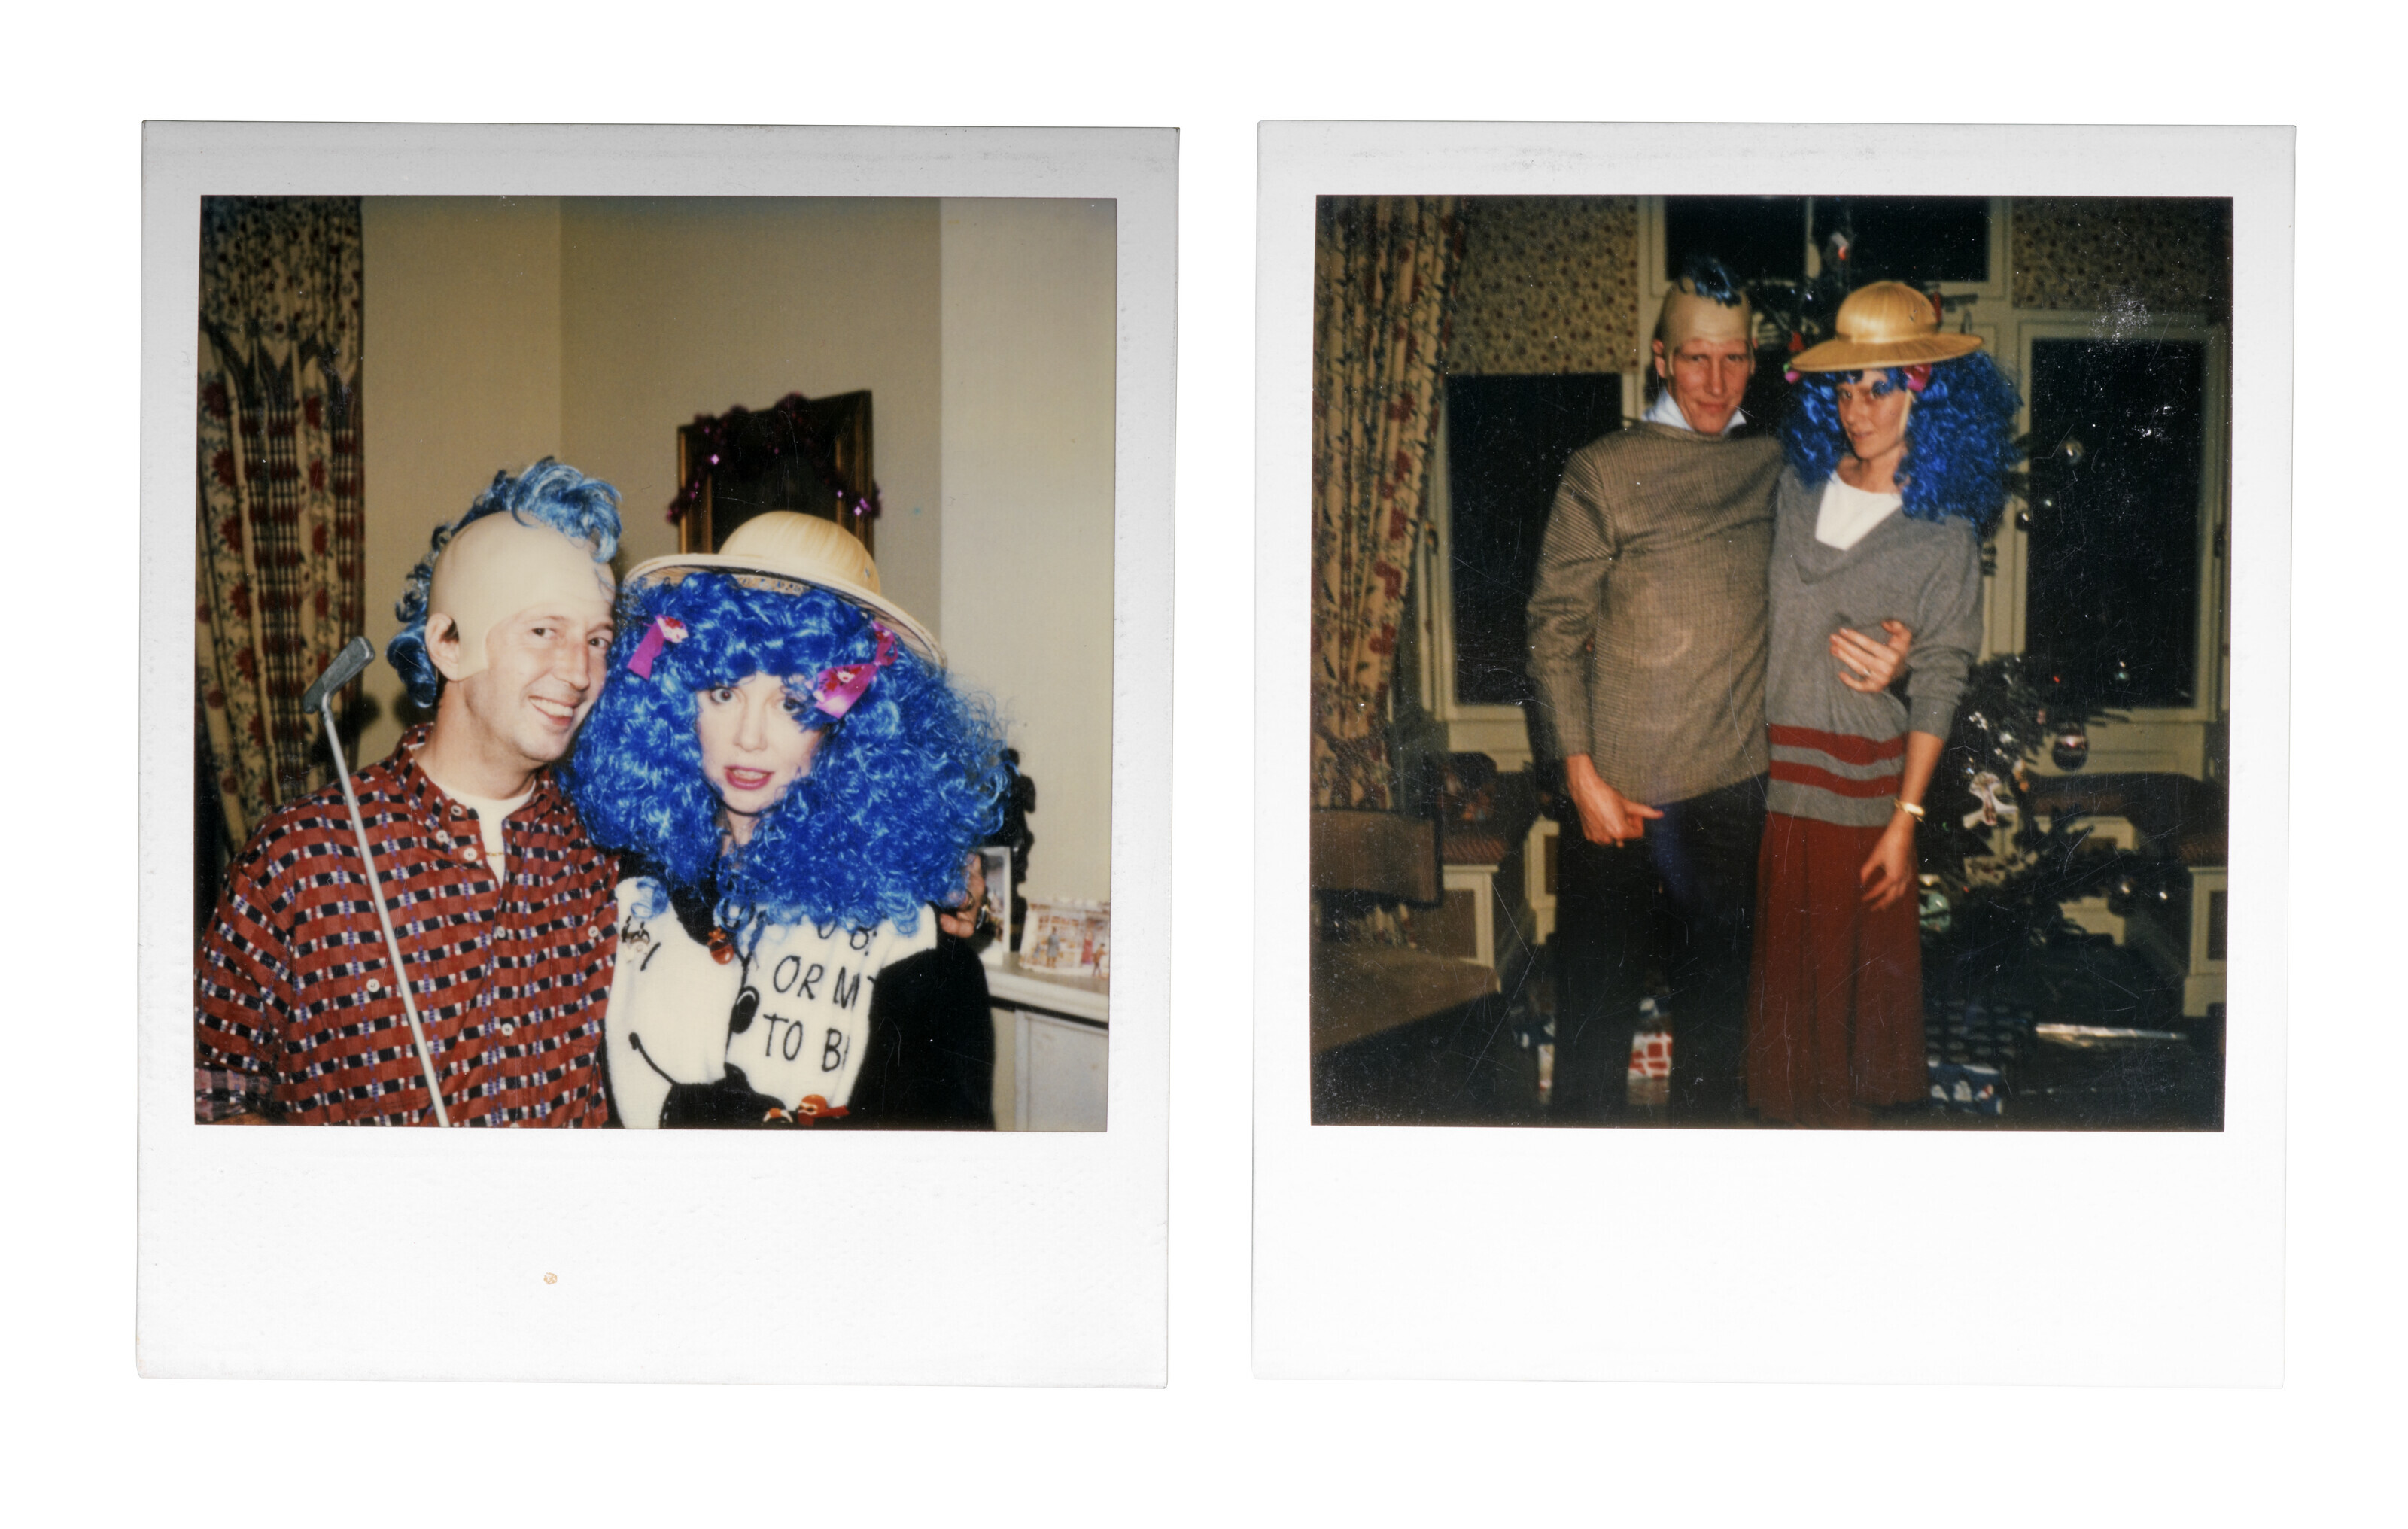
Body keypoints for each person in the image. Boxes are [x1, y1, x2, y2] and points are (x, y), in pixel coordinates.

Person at [1525, 260, 1911, 1122]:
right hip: (1617, 801)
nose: (1714, 381)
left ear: (1752, 362)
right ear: (1660, 358)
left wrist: (1905, 644)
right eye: (1695, 359)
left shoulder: (1773, 466)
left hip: (1734, 801)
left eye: (1733, 359)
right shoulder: (1601, 471)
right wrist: (1578, 775)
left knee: (1716, 1042)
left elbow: (1865, 543)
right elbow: (1550, 630)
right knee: (1591, 1038)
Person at [196, 461, 625, 1124]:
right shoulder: (300, 858)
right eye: (544, 631)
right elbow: (207, 1096)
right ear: (448, 644)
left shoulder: (606, 856)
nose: (579, 671)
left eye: (597, 639)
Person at [569, 512, 1009, 1129]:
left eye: (794, 702)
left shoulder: (915, 938)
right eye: (724, 692)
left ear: (856, 722)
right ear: (675, 699)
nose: (748, 738)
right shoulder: (623, 877)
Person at [1747, 281, 2020, 1126]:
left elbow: (1940, 676)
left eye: (1879, 389)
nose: (1856, 410)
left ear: (1923, 394)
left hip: (1865, 800)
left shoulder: (1941, 532)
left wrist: (1905, 821)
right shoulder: (1794, 490)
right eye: (1844, 388)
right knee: (1788, 1034)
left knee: (1850, 1038)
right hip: (1776, 787)